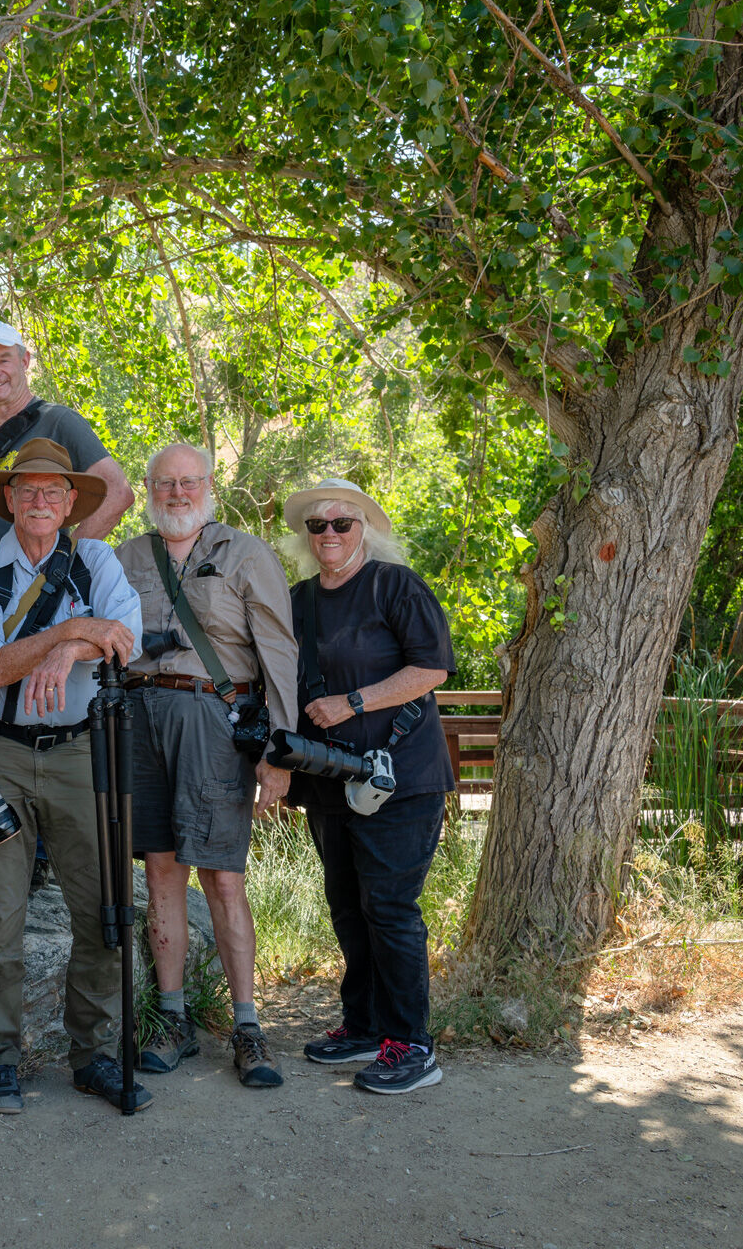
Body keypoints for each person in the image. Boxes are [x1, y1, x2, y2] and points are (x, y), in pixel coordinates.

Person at [0, 438, 148, 1114]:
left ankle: (94, 1056)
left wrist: (72, 646)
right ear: (9, 499)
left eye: (53, 492)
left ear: (70, 504)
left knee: (103, 911)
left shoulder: (97, 560)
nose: (39, 501)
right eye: (27, 490)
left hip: (84, 755)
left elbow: (127, 640)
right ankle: (0, 1060)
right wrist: (74, 633)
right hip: (1, 757)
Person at [115, 444, 298, 1089]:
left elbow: (278, 653)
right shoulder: (126, 558)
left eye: (188, 482)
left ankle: (248, 1026)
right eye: (164, 483)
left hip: (215, 722)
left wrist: (279, 753)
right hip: (139, 720)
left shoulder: (247, 554)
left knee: (223, 877)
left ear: (209, 485)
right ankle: (173, 1018)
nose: (176, 493)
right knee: (161, 872)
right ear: (148, 489)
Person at [280, 478, 455, 1095]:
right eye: (317, 524)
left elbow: (431, 668)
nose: (328, 533)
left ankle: (411, 1046)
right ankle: (364, 1026)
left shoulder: (395, 586)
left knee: (390, 908)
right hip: (329, 777)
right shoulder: (298, 599)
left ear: (365, 531)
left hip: (398, 777)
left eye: (342, 522)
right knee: (349, 906)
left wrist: (354, 702)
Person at [0, 321, 134, 570]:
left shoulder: (58, 421)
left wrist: (63, 563)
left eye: (3, 360)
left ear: (25, 361)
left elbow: (118, 492)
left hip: (34, 587)